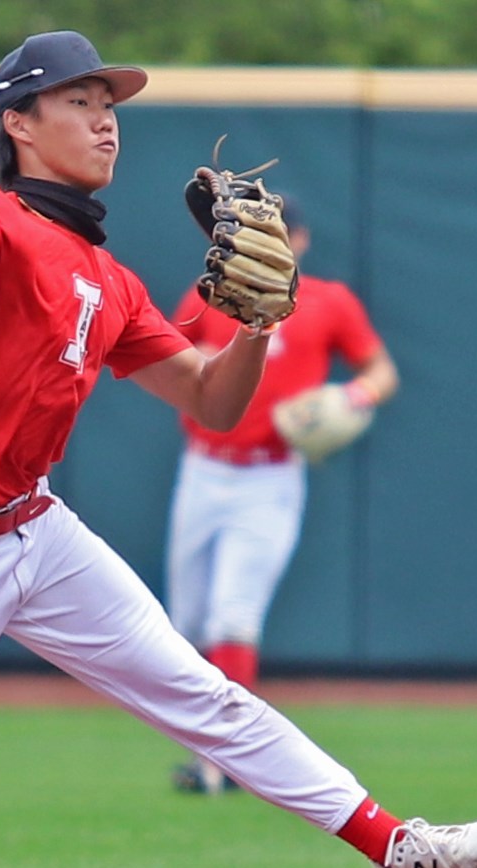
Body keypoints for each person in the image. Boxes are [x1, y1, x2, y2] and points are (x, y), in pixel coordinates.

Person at [0, 27, 477, 868]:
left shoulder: (108, 281)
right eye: (80, 101)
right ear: (19, 126)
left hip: (34, 533)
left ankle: (400, 846)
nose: (106, 122)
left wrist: (259, 322)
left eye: (110, 106)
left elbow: (208, 398)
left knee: (207, 695)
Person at [165, 198, 400, 794]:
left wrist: (353, 399)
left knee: (233, 615)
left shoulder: (327, 302)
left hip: (271, 476)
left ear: (300, 240)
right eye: (255, 237)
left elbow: (380, 372)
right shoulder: (210, 296)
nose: (269, 248)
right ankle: (209, 752)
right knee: (185, 622)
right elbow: (169, 360)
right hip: (205, 468)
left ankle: (225, 763)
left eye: (277, 236)